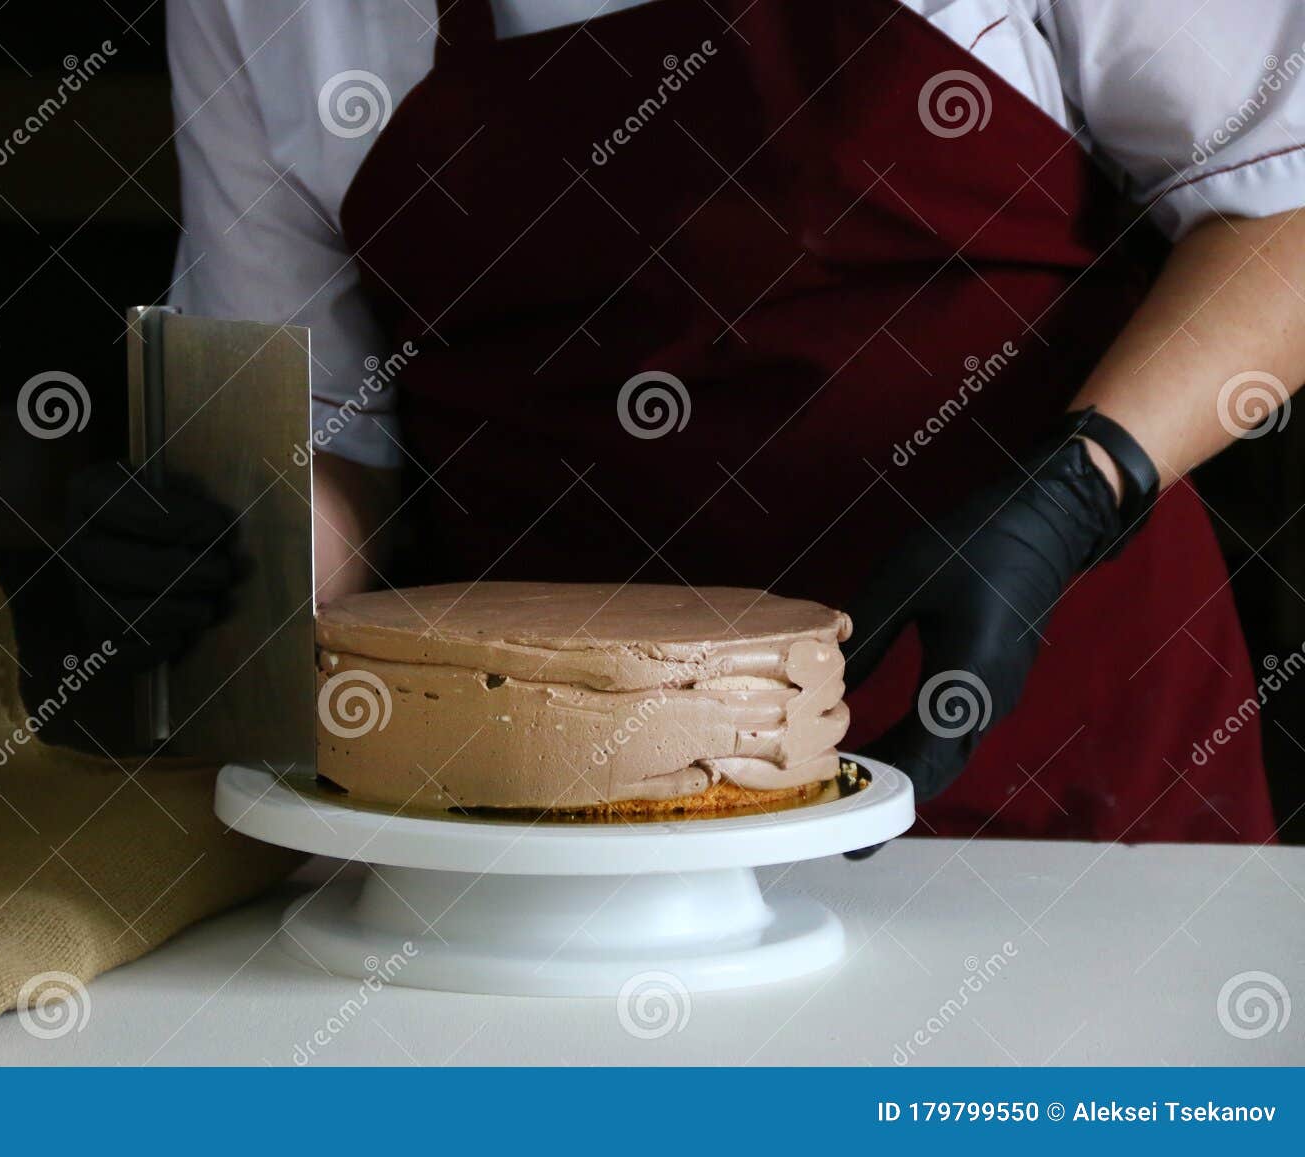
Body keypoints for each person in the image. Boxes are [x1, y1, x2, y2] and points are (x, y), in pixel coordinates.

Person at [72, 0, 1305, 843]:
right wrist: (227, 557)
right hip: (546, 834)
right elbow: (338, 439)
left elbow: (1285, 199)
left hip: (1050, 749)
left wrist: (1080, 488)